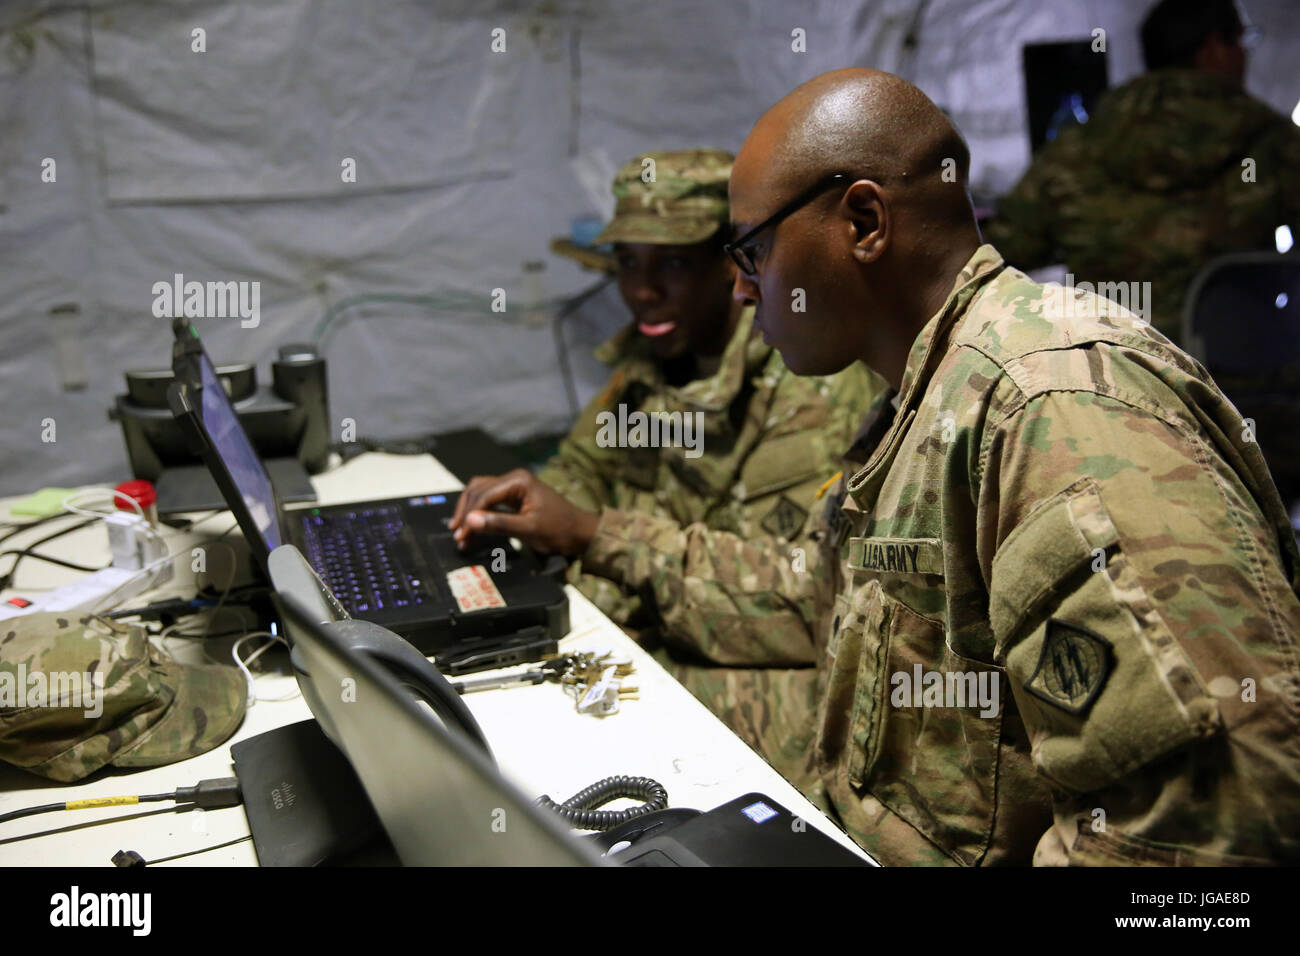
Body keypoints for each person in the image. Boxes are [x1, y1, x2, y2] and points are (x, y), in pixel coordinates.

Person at [712, 66, 1300, 865]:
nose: (743, 292)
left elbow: (1212, 841)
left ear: (862, 221)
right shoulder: (937, 389)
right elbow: (815, 595)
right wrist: (600, 537)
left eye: (751, 250)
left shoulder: (1051, 409)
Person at [450, 149, 884, 794]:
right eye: (628, 264)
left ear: (732, 262)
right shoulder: (652, 365)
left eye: (674, 264)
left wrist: (595, 536)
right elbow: (580, 470)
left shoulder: (806, 391)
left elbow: (797, 610)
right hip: (664, 615)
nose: (642, 290)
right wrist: (527, 508)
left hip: (764, 658)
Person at [986, 0, 1300, 345]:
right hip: (1242, 383)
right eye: (1241, 40)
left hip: (1115, 376)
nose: (1245, 55)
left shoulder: (1079, 147)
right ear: (1213, 46)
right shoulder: (1275, 145)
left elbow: (999, 254)